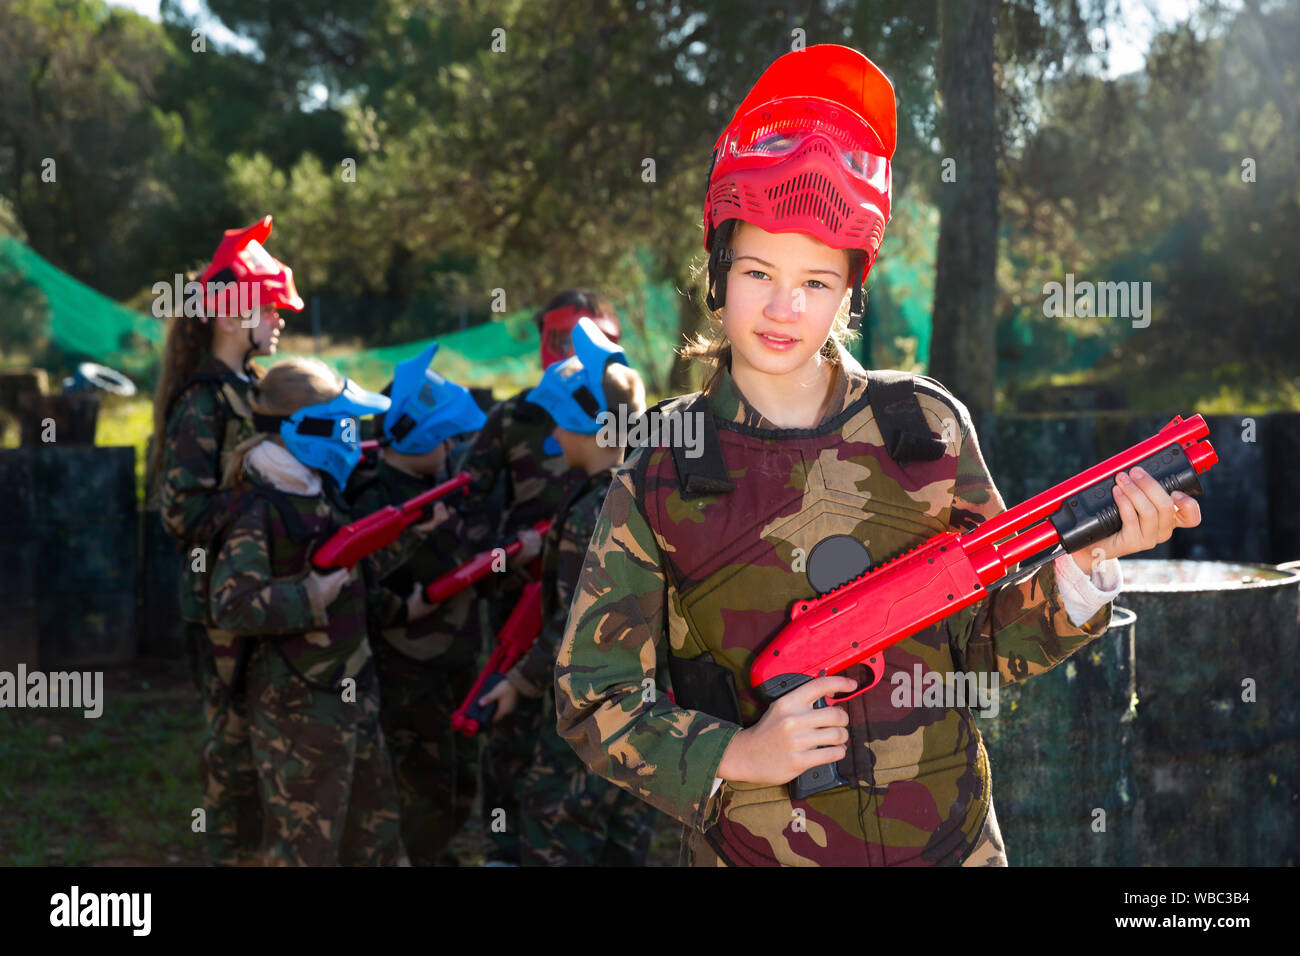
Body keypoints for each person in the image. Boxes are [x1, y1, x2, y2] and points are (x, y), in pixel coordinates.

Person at [554, 44, 1202, 867]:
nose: (784, 307)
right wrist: (739, 755)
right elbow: (593, 696)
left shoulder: (923, 428)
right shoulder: (665, 460)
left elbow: (988, 647)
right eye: (758, 270)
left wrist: (1093, 559)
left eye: (817, 282)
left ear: (851, 291)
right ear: (717, 269)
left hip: (951, 849)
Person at [207, 357, 436, 866]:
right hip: (298, 708)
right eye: (343, 424)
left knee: (374, 835)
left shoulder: (319, 488)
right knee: (305, 847)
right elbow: (232, 604)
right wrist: (307, 596)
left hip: (351, 688)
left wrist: (408, 537)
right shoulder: (257, 507)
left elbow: (348, 575)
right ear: (304, 428)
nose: (352, 437)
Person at [477, 318, 661, 866]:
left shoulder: (593, 512)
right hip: (647, 711)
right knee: (625, 832)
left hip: (591, 709)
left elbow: (576, 625)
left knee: (558, 825)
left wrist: (519, 681)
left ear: (588, 427)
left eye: (561, 425)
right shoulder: (645, 488)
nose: (554, 438)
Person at [151, 215, 301, 866]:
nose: (282, 322)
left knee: (257, 744)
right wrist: (253, 487)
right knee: (231, 750)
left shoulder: (250, 393)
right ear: (238, 316)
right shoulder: (206, 403)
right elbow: (178, 511)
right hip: (220, 607)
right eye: (274, 309)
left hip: (254, 597)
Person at [457, 289, 622, 865]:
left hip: (583, 631)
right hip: (524, 612)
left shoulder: (628, 434)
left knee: (576, 763)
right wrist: (507, 554)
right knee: (510, 737)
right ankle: (507, 847)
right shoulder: (512, 419)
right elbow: (467, 512)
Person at [347, 343, 488, 865]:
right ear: (417, 434)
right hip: (405, 671)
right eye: (445, 437)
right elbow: (357, 589)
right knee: (419, 787)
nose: (453, 447)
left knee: (459, 780)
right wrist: (411, 604)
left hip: (458, 660)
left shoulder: (446, 486)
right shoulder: (371, 499)